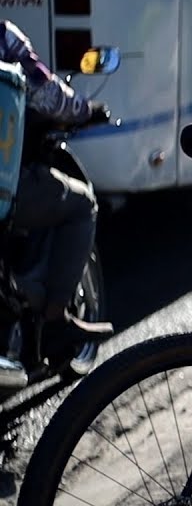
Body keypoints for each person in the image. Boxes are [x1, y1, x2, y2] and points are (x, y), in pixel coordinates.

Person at [1, 20, 113, 357]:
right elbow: (48, 93)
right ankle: (55, 321)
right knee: (82, 205)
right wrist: (84, 110)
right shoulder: (4, 38)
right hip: (7, 187)